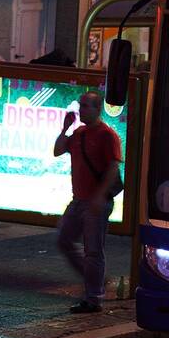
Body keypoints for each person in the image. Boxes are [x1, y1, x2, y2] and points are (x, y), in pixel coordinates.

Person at [53, 91, 122, 314]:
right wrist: (65, 129)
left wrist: (100, 196)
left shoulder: (107, 135)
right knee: (64, 240)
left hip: (95, 203)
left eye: (86, 106)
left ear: (97, 109)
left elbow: (113, 167)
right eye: (80, 105)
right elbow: (57, 151)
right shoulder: (80, 133)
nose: (81, 110)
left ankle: (93, 298)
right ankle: (95, 281)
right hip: (79, 200)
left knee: (93, 250)